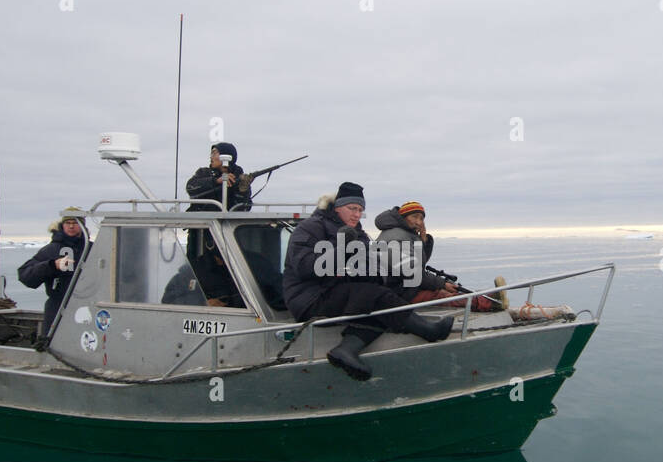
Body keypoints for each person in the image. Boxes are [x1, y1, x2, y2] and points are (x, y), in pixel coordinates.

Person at [282, 182, 453, 381]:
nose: (356, 214)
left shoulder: (357, 232)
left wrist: (386, 279)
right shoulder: (311, 227)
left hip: (335, 291)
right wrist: (342, 246)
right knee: (375, 296)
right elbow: (304, 267)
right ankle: (428, 331)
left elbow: (370, 263)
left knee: (381, 294)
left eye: (360, 210)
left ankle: (346, 350)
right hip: (309, 298)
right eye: (352, 208)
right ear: (337, 207)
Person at [374, 201, 507, 311]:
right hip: (399, 291)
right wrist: (441, 283)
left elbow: (418, 264)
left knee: (446, 291)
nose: (419, 222)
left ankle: (488, 298)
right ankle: (490, 302)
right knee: (442, 296)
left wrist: (424, 239)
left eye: (421, 218)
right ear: (403, 217)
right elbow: (413, 272)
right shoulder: (396, 237)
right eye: (414, 216)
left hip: (405, 285)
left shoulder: (403, 233)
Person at [17, 211, 88, 338]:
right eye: (68, 223)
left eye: (75, 223)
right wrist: (51, 265)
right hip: (57, 307)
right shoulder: (51, 250)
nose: (71, 226)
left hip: (87, 308)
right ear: (62, 225)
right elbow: (25, 276)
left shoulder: (92, 248)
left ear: (82, 226)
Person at [185, 142, 252, 211]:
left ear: (226, 156)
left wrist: (243, 191)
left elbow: (244, 208)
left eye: (214, 153)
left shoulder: (239, 177)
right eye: (211, 154)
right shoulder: (204, 173)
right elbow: (190, 187)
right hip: (201, 219)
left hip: (228, 220)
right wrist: (216, 181)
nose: (211, 157)